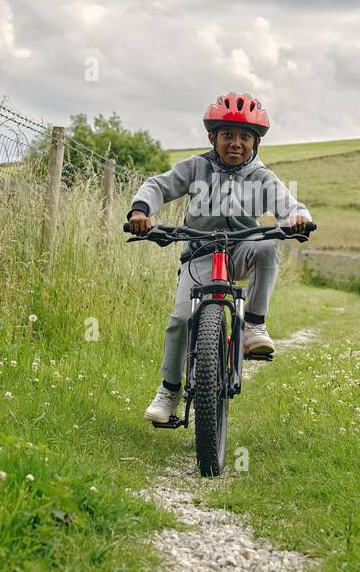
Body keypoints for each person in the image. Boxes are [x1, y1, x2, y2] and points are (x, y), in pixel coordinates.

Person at [127, 92, 313, 424]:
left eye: (244, 137)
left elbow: (288, 204)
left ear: (256, 142)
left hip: (242, 249)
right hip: (199, 251)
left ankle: (254, 325)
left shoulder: (262, 176)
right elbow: (159, 185)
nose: (235, 143)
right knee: (181, 320)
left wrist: (295, 219)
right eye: (227, 135)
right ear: (213, 137)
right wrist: (141, 210)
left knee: (268, 246)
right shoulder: (196, 167)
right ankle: (169, 391)